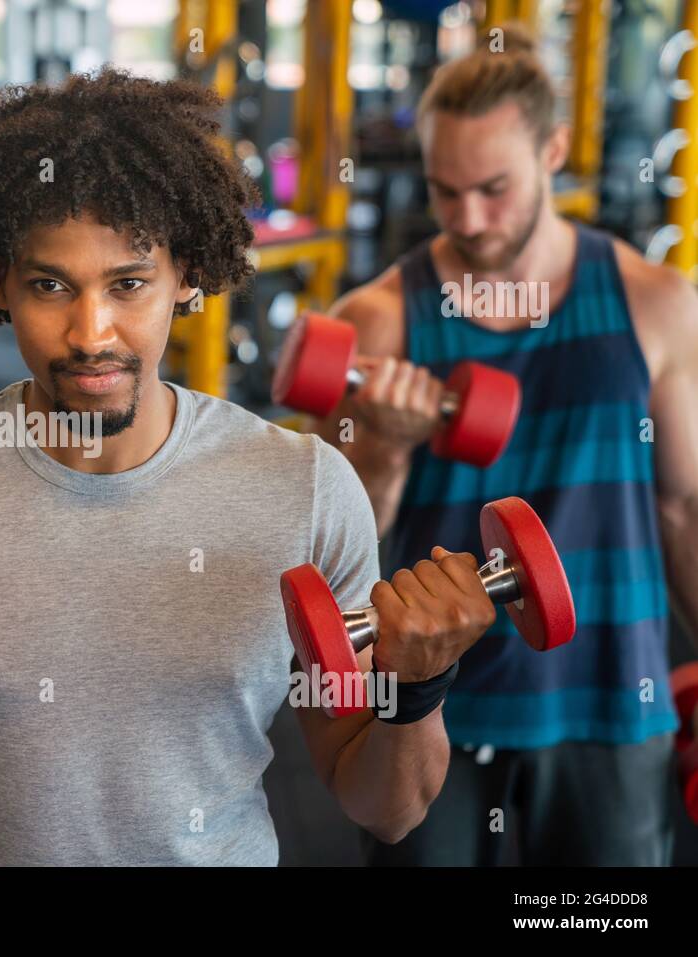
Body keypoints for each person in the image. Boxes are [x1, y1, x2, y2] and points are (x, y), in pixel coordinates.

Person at [0, 69, 501, 865]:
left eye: (128, 284)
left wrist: (418, 691)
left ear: (184, 276)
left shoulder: (305, 491)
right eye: (51, 285)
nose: (92, 332)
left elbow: (384, 807)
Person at [317, 28, 698, 865]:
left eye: (494, 188)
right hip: (435, 696)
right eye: (445, 192)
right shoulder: (379, 320)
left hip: (610, 689)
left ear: (553, 151)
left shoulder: (658, 303)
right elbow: (343, 540)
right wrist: (385, 442)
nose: (469, 220)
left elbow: (681, 506)